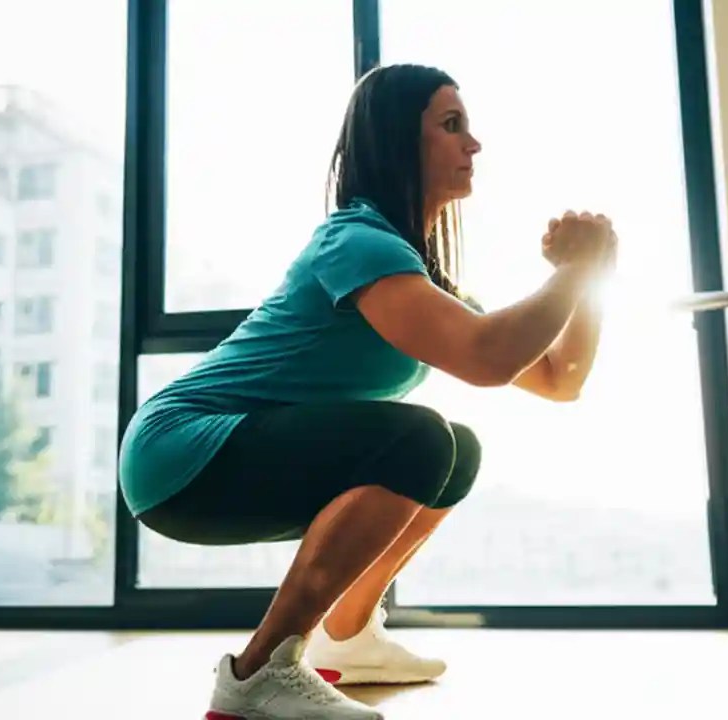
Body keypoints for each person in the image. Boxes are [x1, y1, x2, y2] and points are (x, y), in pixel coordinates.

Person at [118, 63, 618, 720]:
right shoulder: (356, 241)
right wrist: (574, 269)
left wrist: (587, 281)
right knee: (418, 439)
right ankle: (256, 675)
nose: (474, 144)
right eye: (451, 125)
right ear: (394, 142)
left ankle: (347, 636)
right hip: (180, 453)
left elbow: (561, 380)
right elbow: (487, 358)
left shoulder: (417, 276)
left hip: (224, 456)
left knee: (455, 450)